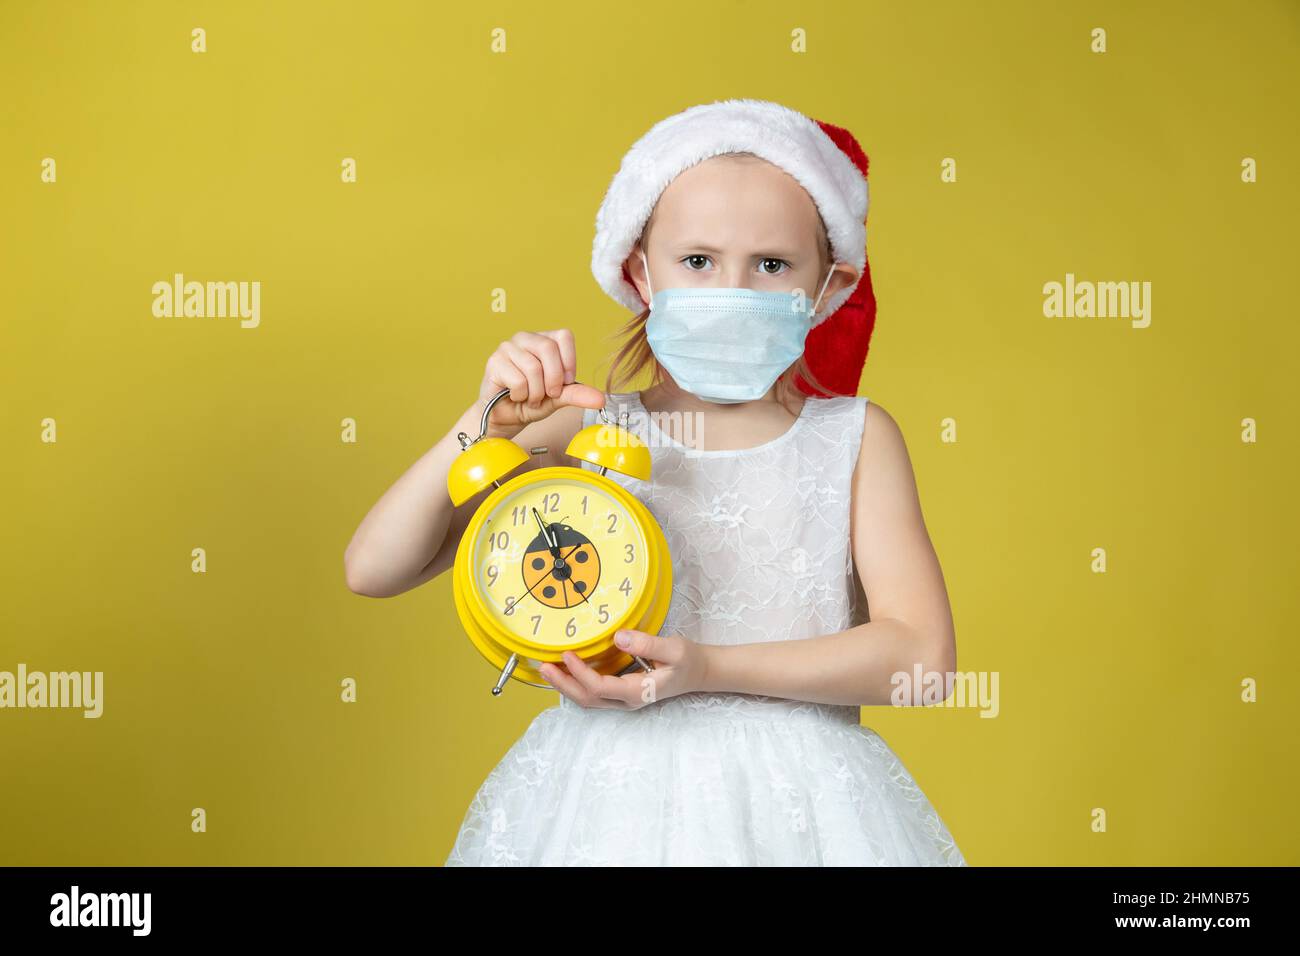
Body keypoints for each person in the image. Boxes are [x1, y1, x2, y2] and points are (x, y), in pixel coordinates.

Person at [344, 98, 967, 865]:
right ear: (641, 271)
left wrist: (710, 669)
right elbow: (374, 568)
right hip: (605, 812)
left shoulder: (856, 439)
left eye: (771, 265)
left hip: (807, 817)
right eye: (697, 261)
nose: (731, 290)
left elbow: (923, 660)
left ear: (828, 289)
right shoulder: (582, 428)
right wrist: (482, 424)